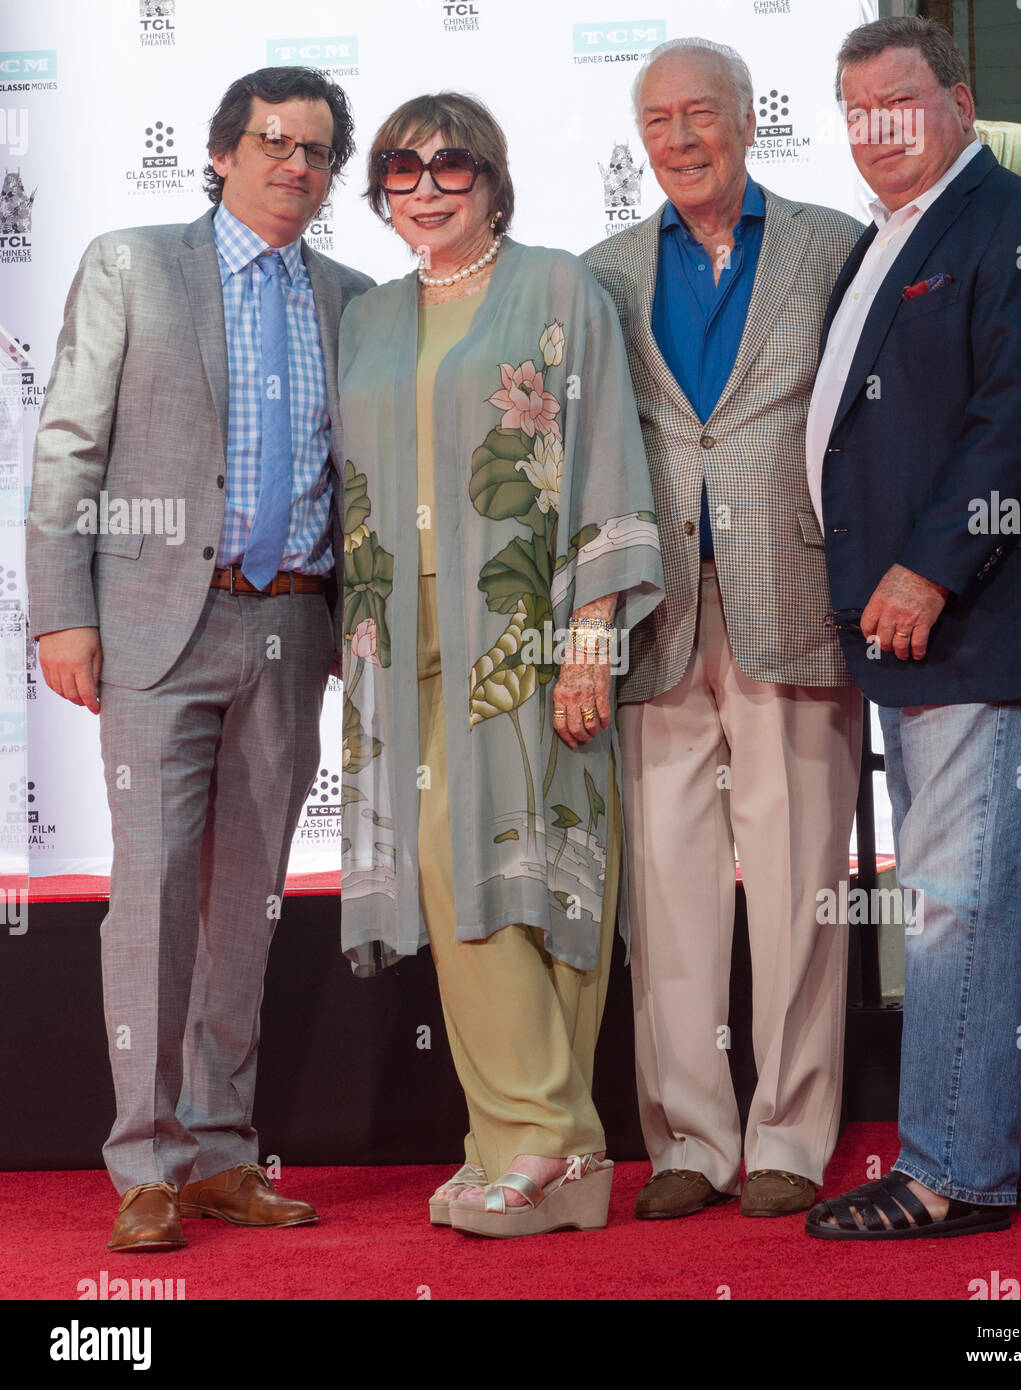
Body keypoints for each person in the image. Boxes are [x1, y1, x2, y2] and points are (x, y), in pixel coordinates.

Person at [27, 66, 373, 1252]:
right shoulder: (133, 264)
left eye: (319, 150)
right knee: (154, 897)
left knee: (247, 907)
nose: (296, 164)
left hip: (288, 631)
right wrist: (58, 613)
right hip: (154, 628)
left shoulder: (354, 296)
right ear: (222, 152)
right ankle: (145, 1162)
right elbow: (68, 446)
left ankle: (225, 1152)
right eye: (274, 141)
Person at [805, 16, 1021, 1241]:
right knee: (973, 899)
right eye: (853, 111)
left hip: (977, 624)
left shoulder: (1015, 222)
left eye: (896, 102)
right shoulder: (888, 237)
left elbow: (1018, 412)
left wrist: (928, 569)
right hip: (916, 636)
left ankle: (944, 1172)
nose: (874, 130)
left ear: (960, 100)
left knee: (952, 906)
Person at [339, 93, 663, 1238]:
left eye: (450, 163)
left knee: (533, 872)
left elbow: (606, 452)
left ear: (493, 175)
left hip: (524, 631)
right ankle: (538, 1150)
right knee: (452, 867)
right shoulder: (367, 315)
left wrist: (589, 634)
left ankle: (539, 1140)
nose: (424, 185)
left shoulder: (557, 285)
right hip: (396, 642)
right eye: (398, 167)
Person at [583, 36, 864, 1221]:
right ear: (638, 139)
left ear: (749, 121)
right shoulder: (598, 272)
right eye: (658, 122)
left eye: (702, 114)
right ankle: (690, 1139)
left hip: (794, 607)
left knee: (801, 888)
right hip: (656, 621)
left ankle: (792, 1133)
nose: (681, 138)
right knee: (670, 897)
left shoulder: (832, 249)